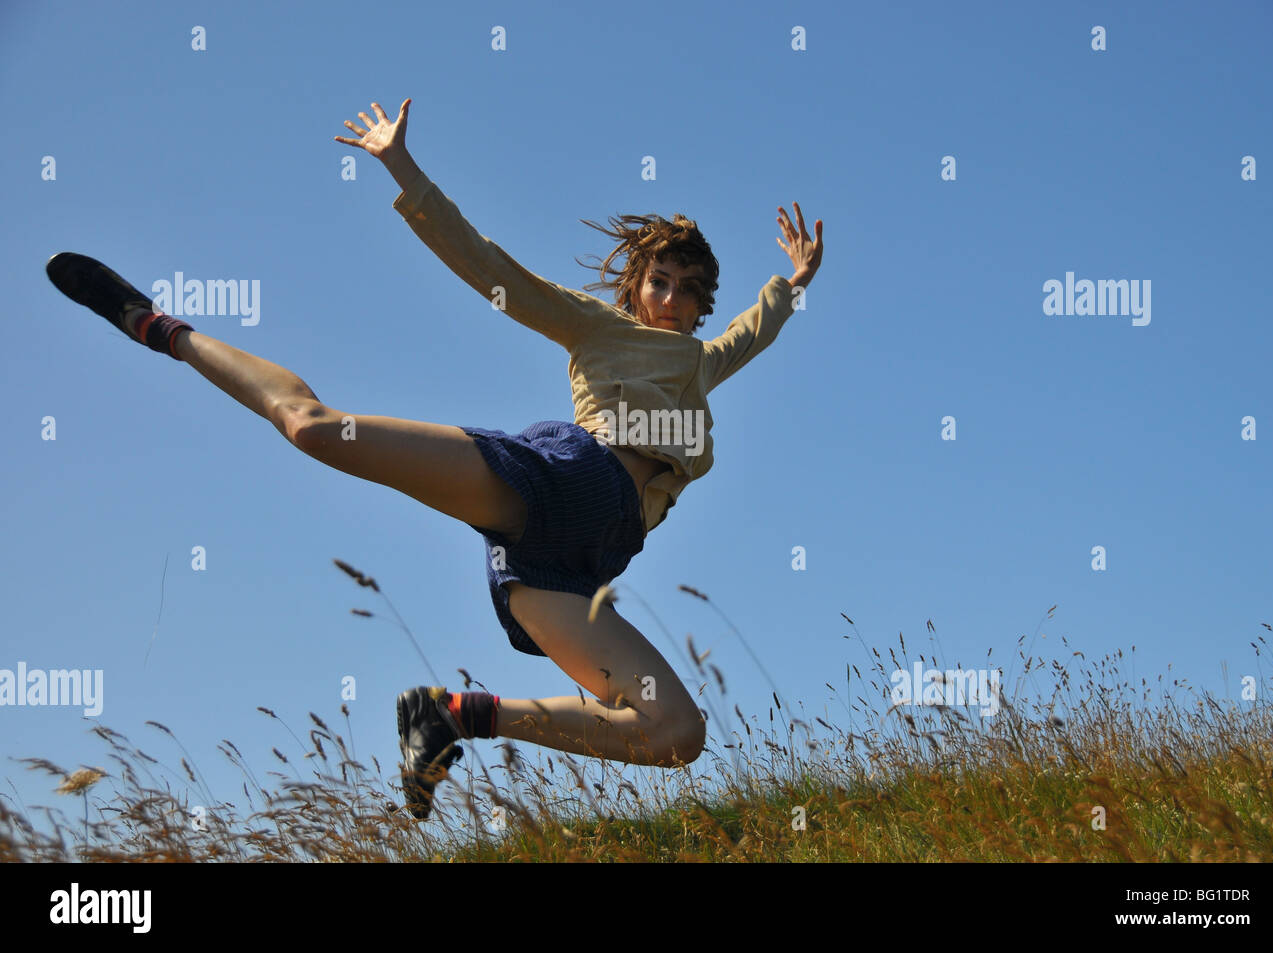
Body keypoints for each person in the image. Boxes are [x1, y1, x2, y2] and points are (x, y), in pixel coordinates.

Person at [46, 98, 823, 820]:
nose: (673, 300)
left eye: (690, 291)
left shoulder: (701, 364)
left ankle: (452, 715)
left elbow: (753, 333)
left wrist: (792, 283)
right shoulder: (598, 328)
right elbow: (493, 269)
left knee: (675, 732)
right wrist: (404, 171)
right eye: (660, 281)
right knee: (316, 429)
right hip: (559, 480)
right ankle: (158, 325)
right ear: (633, 288)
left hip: (581, 565)